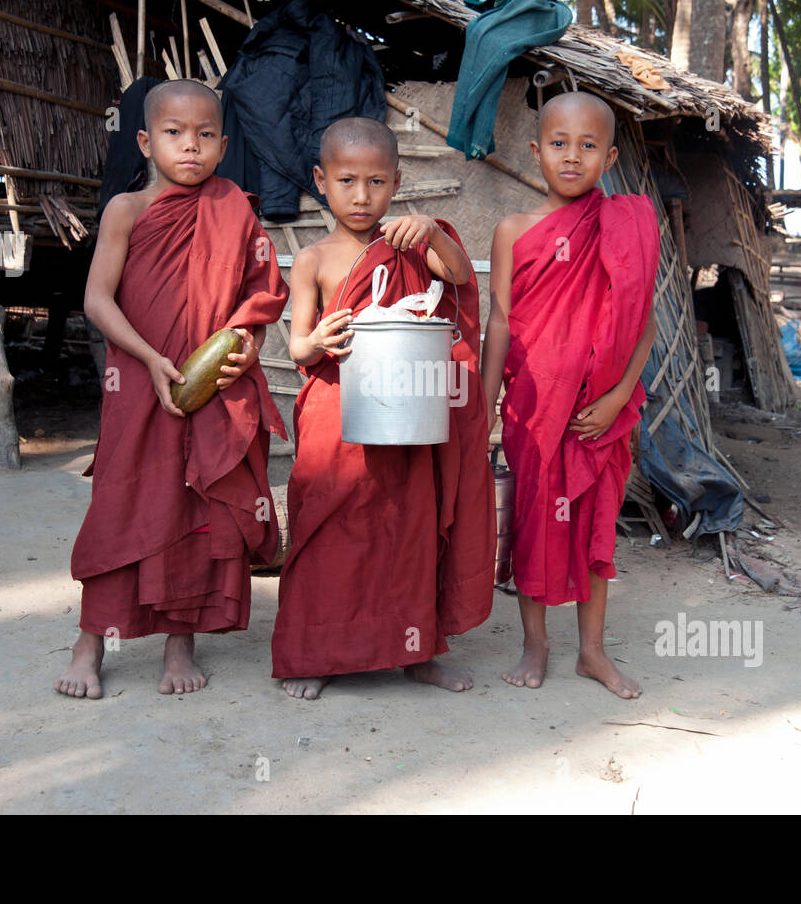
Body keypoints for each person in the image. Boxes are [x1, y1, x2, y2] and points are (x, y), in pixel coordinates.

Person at [57, 80, 288, 699]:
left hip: (208, 386)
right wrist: (151, 359)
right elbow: (97, 299)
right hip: (138, 379)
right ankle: (89, 644)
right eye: (174, 133)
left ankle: (179, 644)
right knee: (123, 502)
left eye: (205, 135)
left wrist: (246, 354)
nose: (191, 146)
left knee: (196, 510)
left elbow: (257, 301)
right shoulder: (126, 210)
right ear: (145, 140)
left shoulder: (235, 206)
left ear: (223, 144)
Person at [272, 117, 495, 700]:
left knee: (409, 530)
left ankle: (416, 652)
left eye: (376, 181)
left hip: (405, 408)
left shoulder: (408, 247)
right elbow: (296, 345)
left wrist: (434, 233)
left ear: (397, 183)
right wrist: (315, 341)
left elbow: (462, 280)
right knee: (329, 531)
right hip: (334, 412)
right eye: (347, 180)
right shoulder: (314, 260)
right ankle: (318, 652)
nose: (362, 195)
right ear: (321, 181)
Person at [479, 91, 660, 699]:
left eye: (588, 146)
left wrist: (617, 399)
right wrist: (483, 401)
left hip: (598, 415)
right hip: (533, 408)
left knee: (594, 528)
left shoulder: (623, 227)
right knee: (533, 522)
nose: (572, 157)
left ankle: (592, 652)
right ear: (536, 152)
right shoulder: (513, 230)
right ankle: (536, 644)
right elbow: (500, 321)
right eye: (559, 144)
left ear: (609, 158)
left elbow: (646, 323)